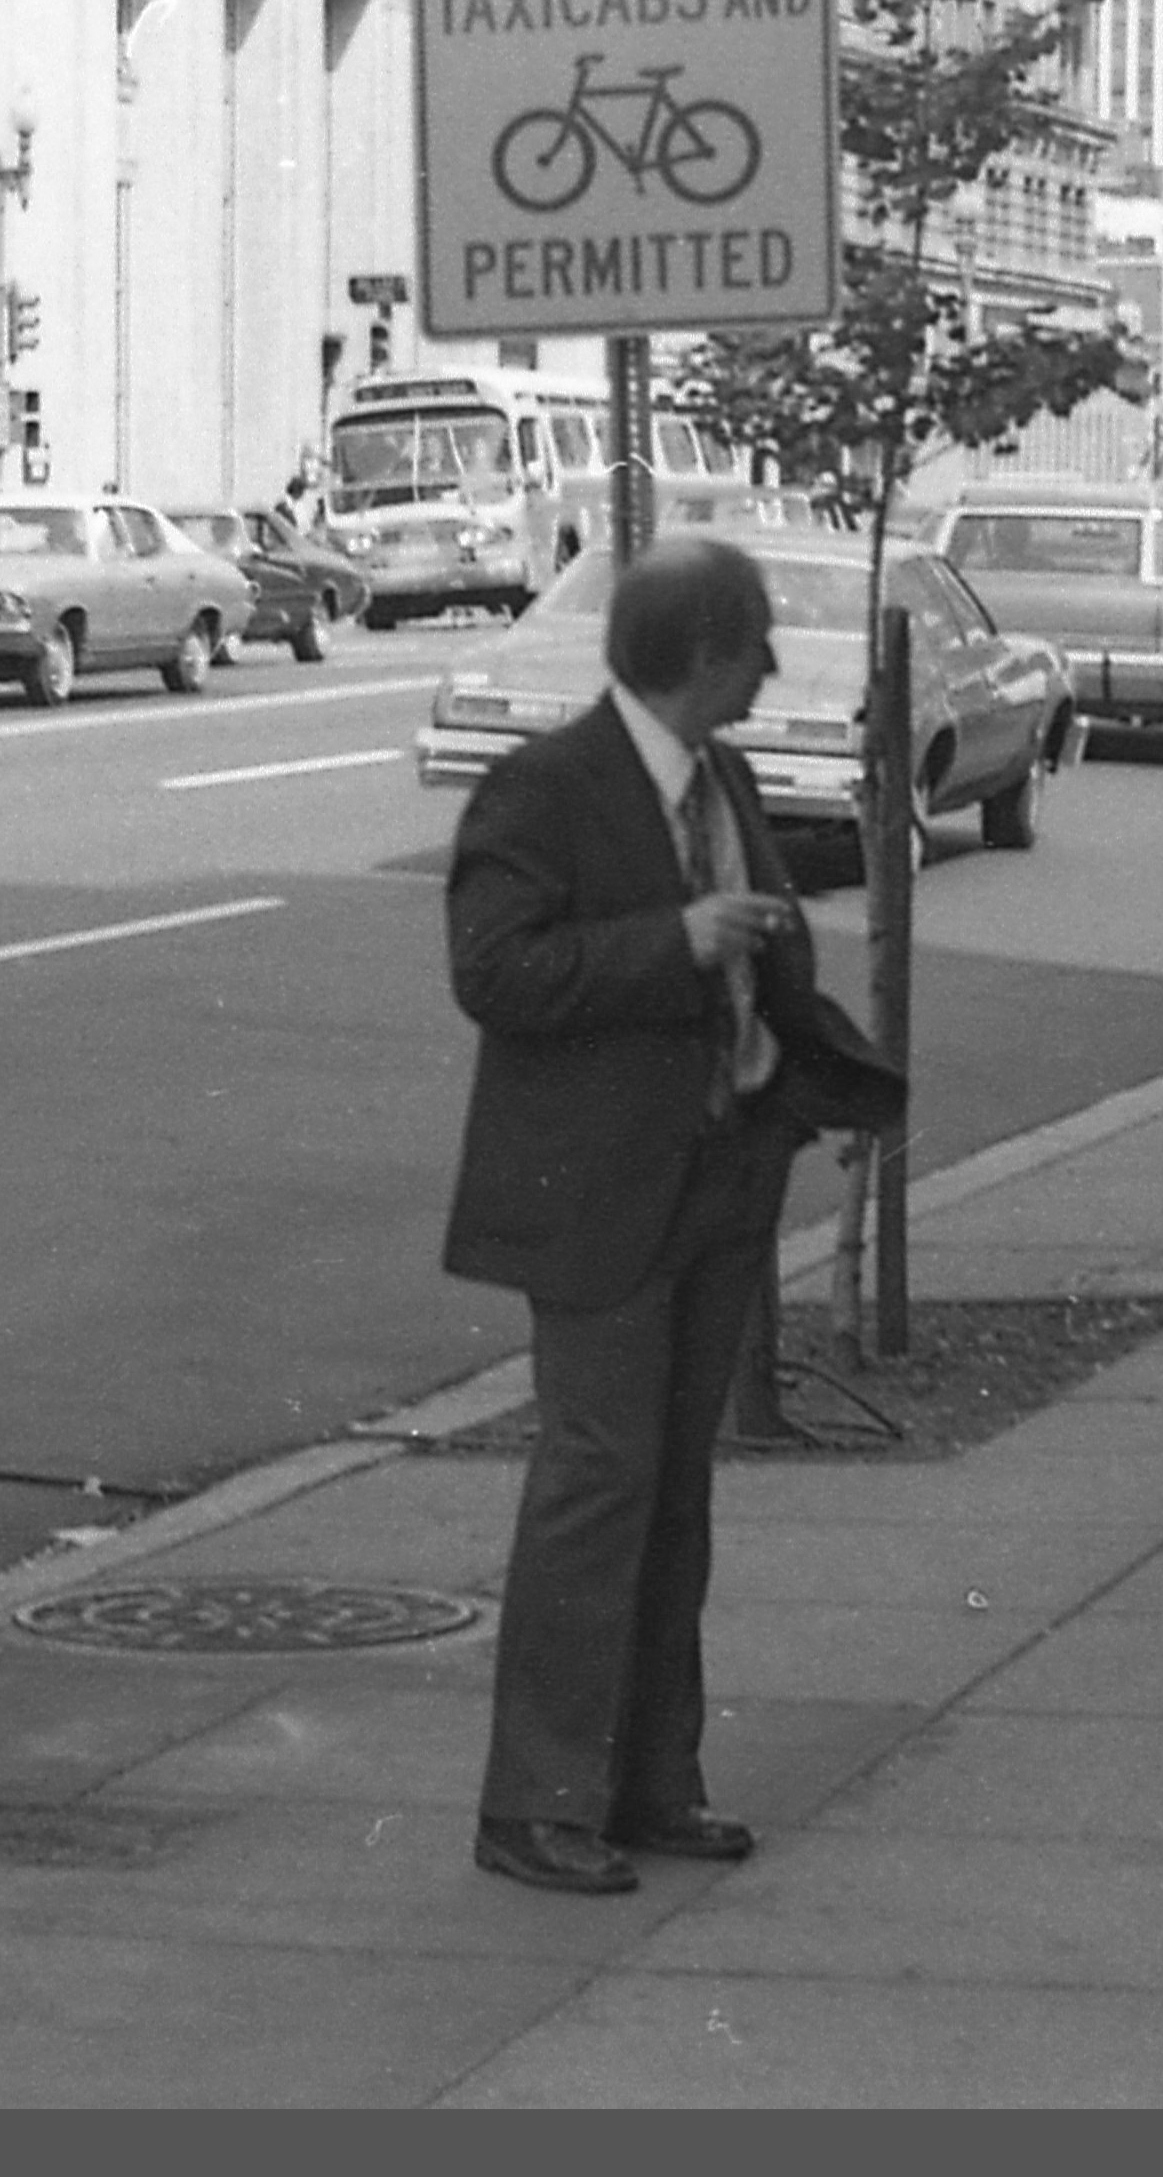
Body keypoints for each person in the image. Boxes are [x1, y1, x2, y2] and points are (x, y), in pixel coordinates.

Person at [442, 534, 900, 1896]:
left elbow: (768, 960)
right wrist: (676, 943)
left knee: (672, 1494)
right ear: (705, 655)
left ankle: (650, 1783)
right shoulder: (546, 789)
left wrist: (828, 1088)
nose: (770, 665)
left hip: (716, 1179)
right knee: (597, 1486)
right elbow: (495, 972)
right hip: (596, 1199)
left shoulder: (724, 776)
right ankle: (536, 1804)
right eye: (758, 643)